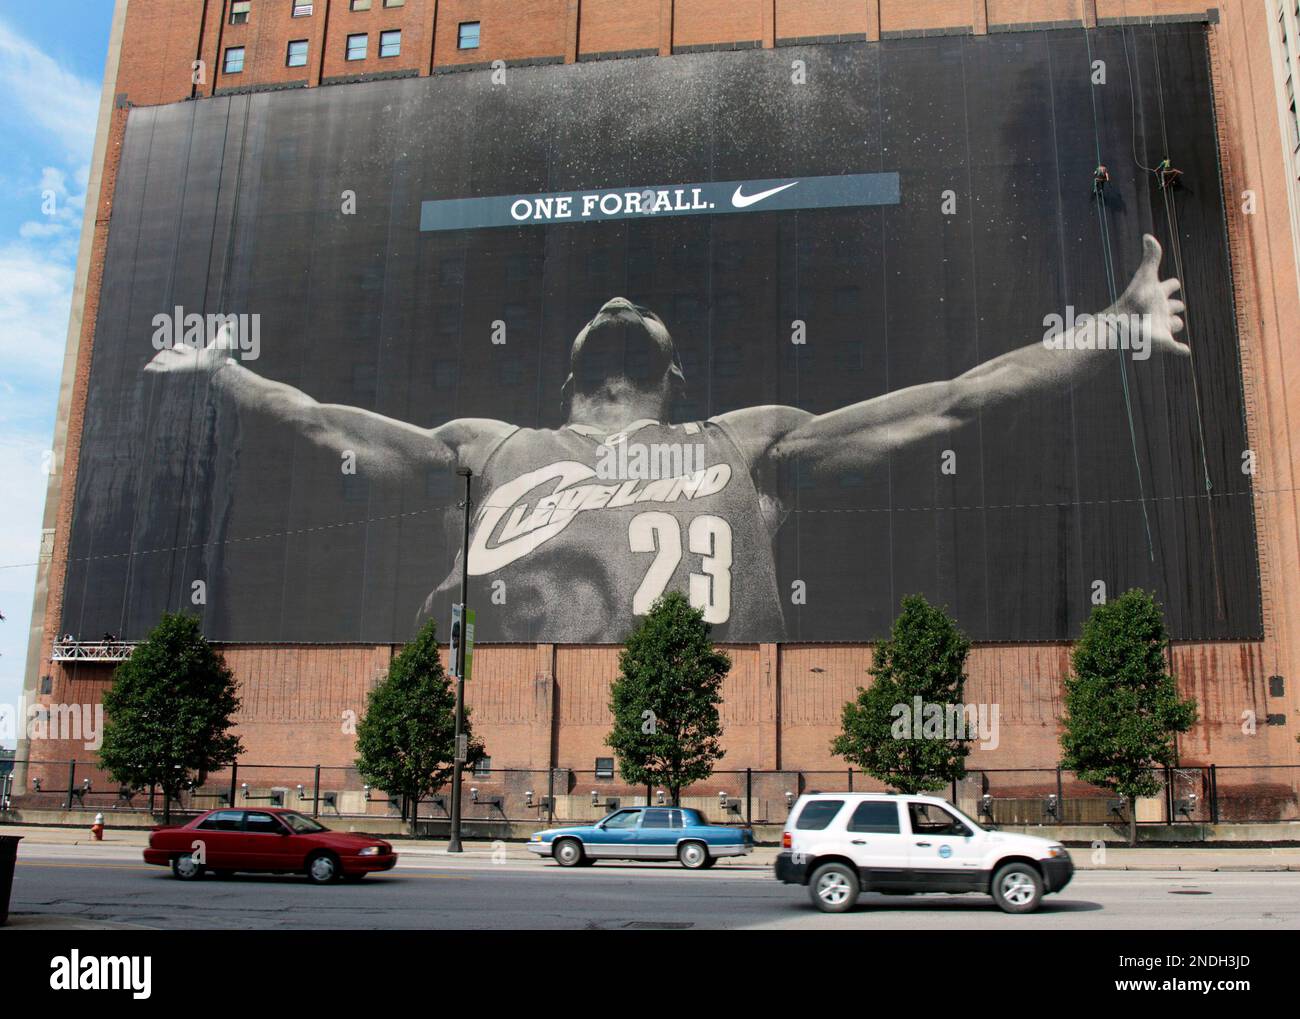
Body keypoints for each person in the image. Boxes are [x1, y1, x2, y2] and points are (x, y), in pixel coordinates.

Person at [145, 236, 1189, 642]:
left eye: (637, 305)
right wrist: (222, 371)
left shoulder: (745, 441)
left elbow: (955, 402)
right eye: (601, 303)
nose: (615, 293)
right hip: (502, 713)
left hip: (707, 714)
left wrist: (1113, 328)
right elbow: (322, 424)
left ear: (673, 375)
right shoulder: (488, 444)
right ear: (567, 374)